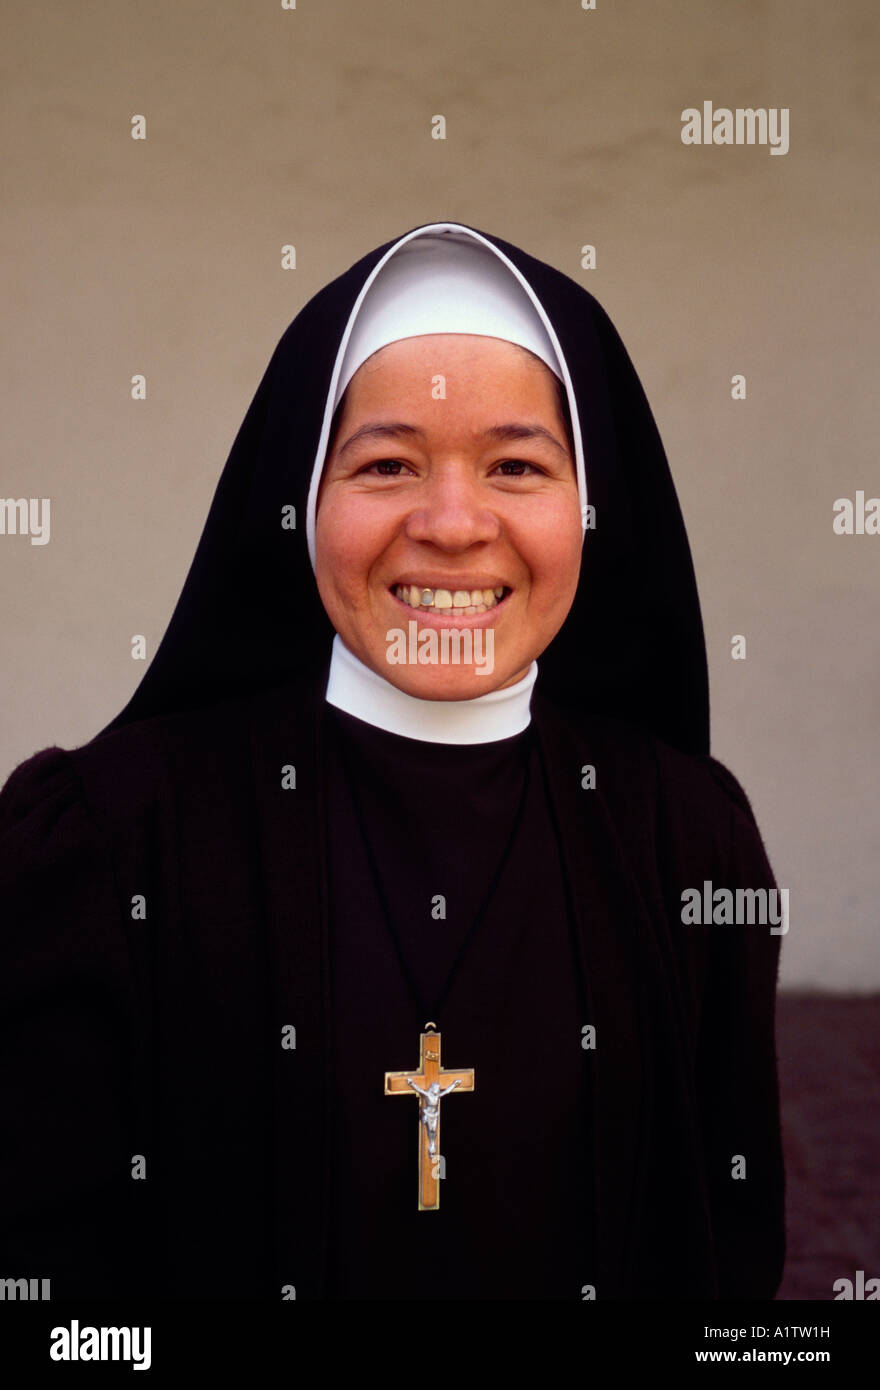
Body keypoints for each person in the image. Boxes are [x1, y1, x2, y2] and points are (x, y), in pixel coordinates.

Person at [0, 221, 785, 1301]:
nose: (453, 522)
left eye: (516, 464)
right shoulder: (109, 842)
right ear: (301, 500)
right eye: (386, 463)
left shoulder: (685, 834)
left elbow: (726, 1257)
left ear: (592, 505)